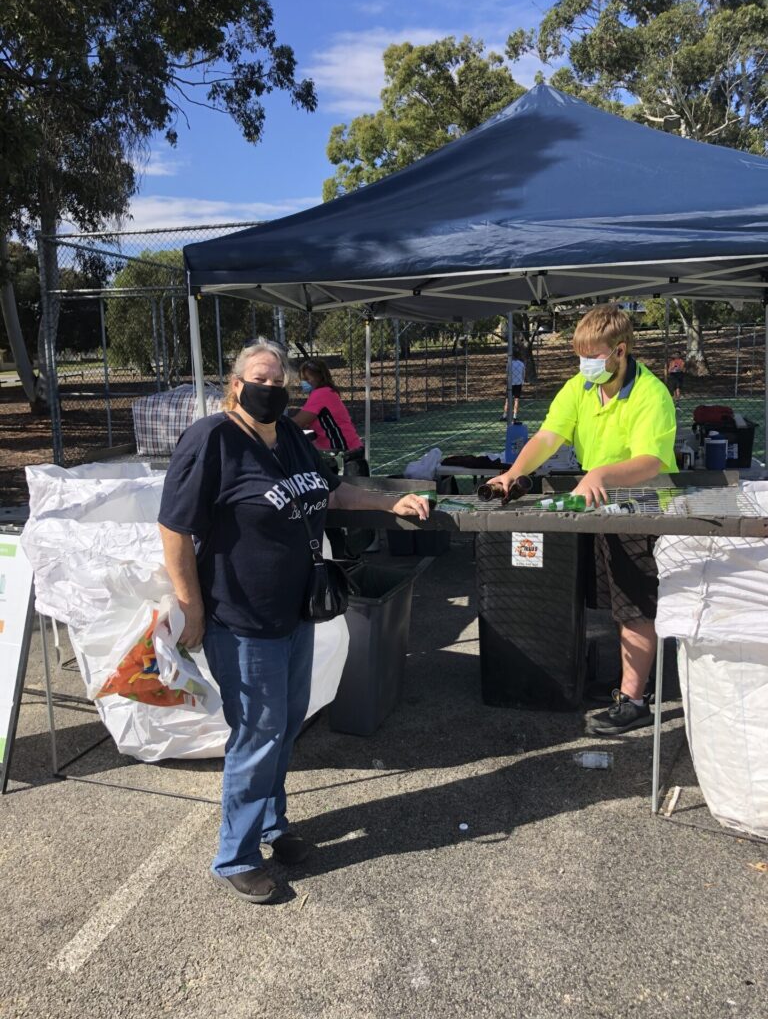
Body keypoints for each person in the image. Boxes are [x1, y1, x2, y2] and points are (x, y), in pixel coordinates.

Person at [158, 338, 429, 904]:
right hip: (241, 616)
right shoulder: (212, 440)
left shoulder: (292, 441)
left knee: (286, 724)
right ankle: (235, 854)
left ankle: (272, 825)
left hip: (295, 611)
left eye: (281, 381)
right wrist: (192, 605)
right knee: (257, 733)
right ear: (235, 384)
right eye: (261, 377)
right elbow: (174, 528)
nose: (272, 388)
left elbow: (330, 492)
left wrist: (387, 502)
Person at [487, 305, 677, 736]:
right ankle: (626, 685)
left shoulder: (651, 394)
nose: (585, 365)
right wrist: (514, 473)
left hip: (639, 504)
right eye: (581, 356)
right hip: (598, 502)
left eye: (593, 356)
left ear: (620, 351)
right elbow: (549, 436)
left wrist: (602, 473)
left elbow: (652, 461)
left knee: (634, 603)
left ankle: (634, 700)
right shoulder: (580, 387)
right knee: (613, 600)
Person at [291, 358, 366, 475]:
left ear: (319, 377)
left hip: (344, 454)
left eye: (307, 378)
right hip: (348, 451)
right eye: (303, 379)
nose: (304, 382)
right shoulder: (329, 391)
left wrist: (275, 425)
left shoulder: (321, 394)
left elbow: (299, 422)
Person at [500, 349, 526, 422]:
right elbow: (523, 373)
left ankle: (505, 415)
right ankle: (514, 416)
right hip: (518, 383)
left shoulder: (509, 363)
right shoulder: (521, 363)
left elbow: (507, 373)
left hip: (511, 383)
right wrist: (522, 381)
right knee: (516, 400)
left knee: (507, 400)